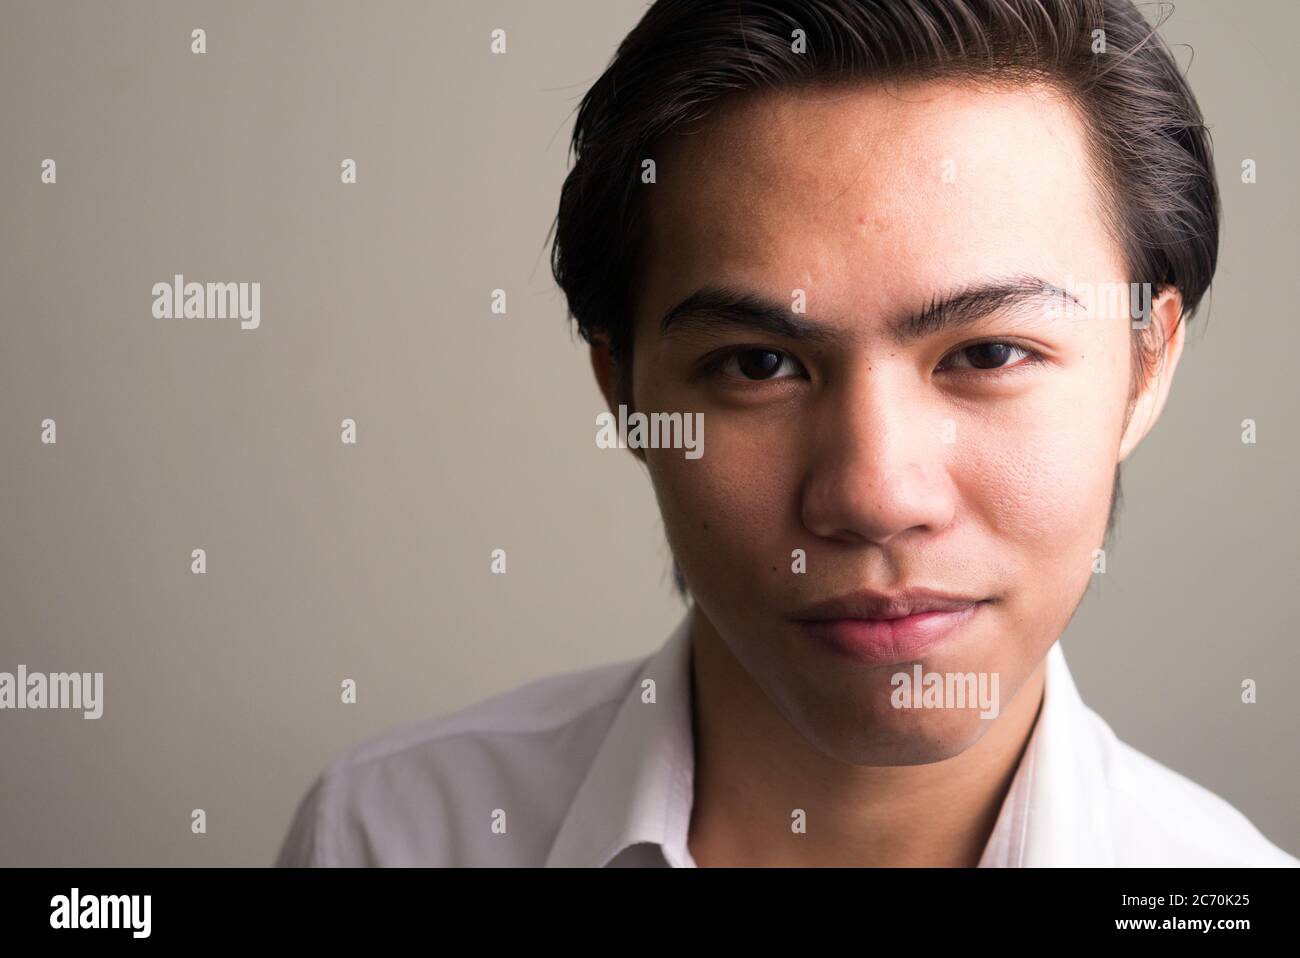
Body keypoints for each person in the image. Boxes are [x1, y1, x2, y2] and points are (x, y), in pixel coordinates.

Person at [276, 0, 1298, 867]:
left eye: (987, 354)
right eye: (758, 365)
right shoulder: (390, 837)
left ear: (1146, 362)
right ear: (624, 390)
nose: (874, 494)